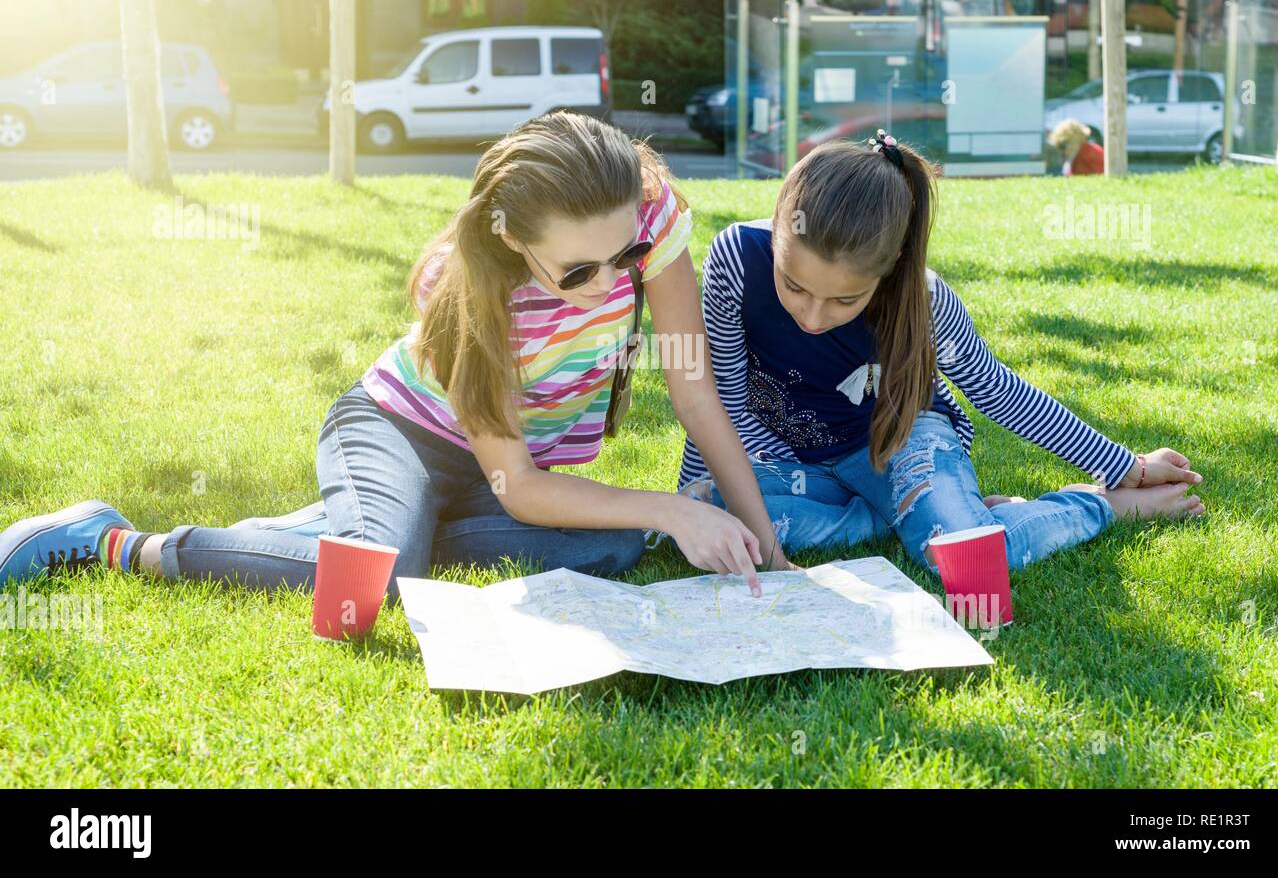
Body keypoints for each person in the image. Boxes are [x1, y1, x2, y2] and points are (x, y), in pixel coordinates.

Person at [1, 112, 789, 598]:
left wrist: (775, 557)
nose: (612, 281)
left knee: (613, 543)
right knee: (369, 586)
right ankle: (115, 540)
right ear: (515, 239)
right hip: (397, 431)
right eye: (579, 271)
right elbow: (518, 487)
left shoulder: (654, 219)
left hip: (506, 475)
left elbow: (693, 394)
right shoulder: (467, 285)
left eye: (625, 256)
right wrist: (670, 505)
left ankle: (372, 527)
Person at [678, 132, 1203, 574]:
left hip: (901, 446)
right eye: (793, 286)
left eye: (844, 299)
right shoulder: (735, 258)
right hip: (798, 460)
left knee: (966, 560)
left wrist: (1124, 469)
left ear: (890, 268)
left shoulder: (923, 300)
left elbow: (999, 393)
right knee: (713, 513)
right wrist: (691, 491)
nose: (812, 317)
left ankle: (1098, 506)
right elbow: (720, 399)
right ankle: (912, 515)